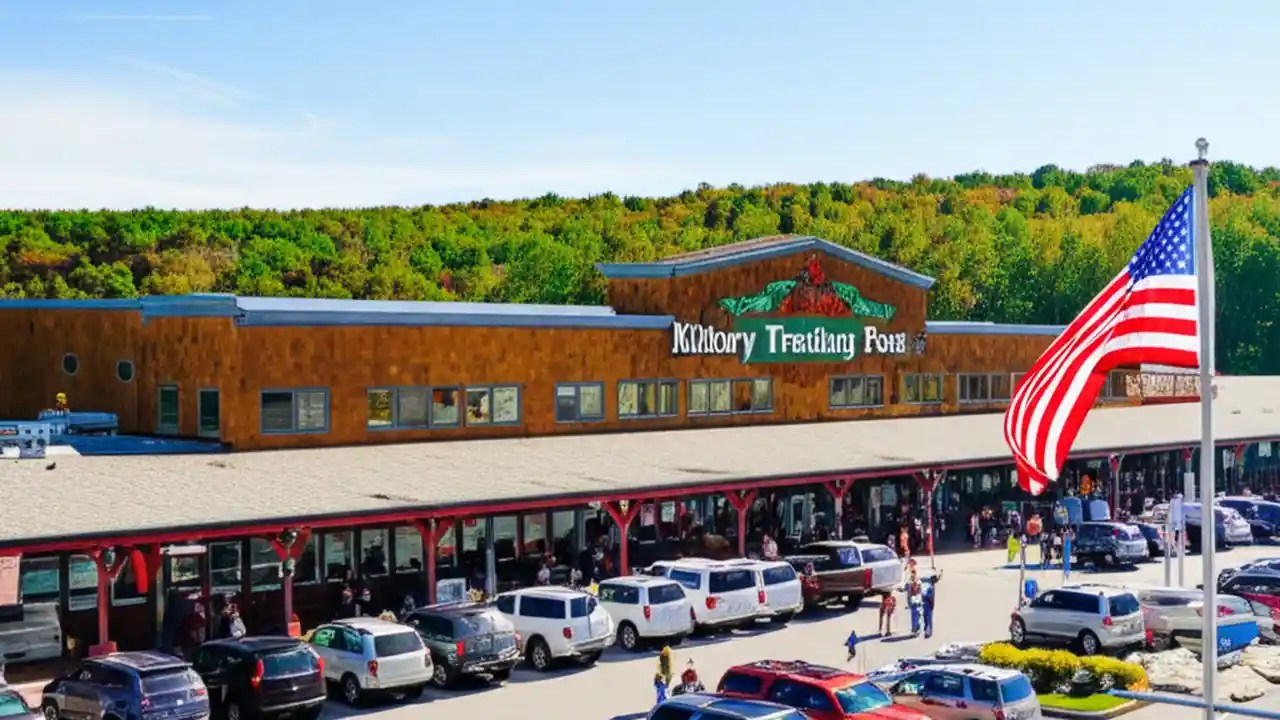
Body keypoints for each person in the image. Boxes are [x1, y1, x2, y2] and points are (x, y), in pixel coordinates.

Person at [921, 570, 943, 638]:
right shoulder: (930, 586)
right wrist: (932, 604)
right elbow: (930, 597)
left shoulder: (928, 581)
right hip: (928, 603)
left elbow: (937, 579)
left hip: (924, 602)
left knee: (926, 617)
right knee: (928, 617)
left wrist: (941, 574)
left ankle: (927, 630)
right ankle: (928, 631)